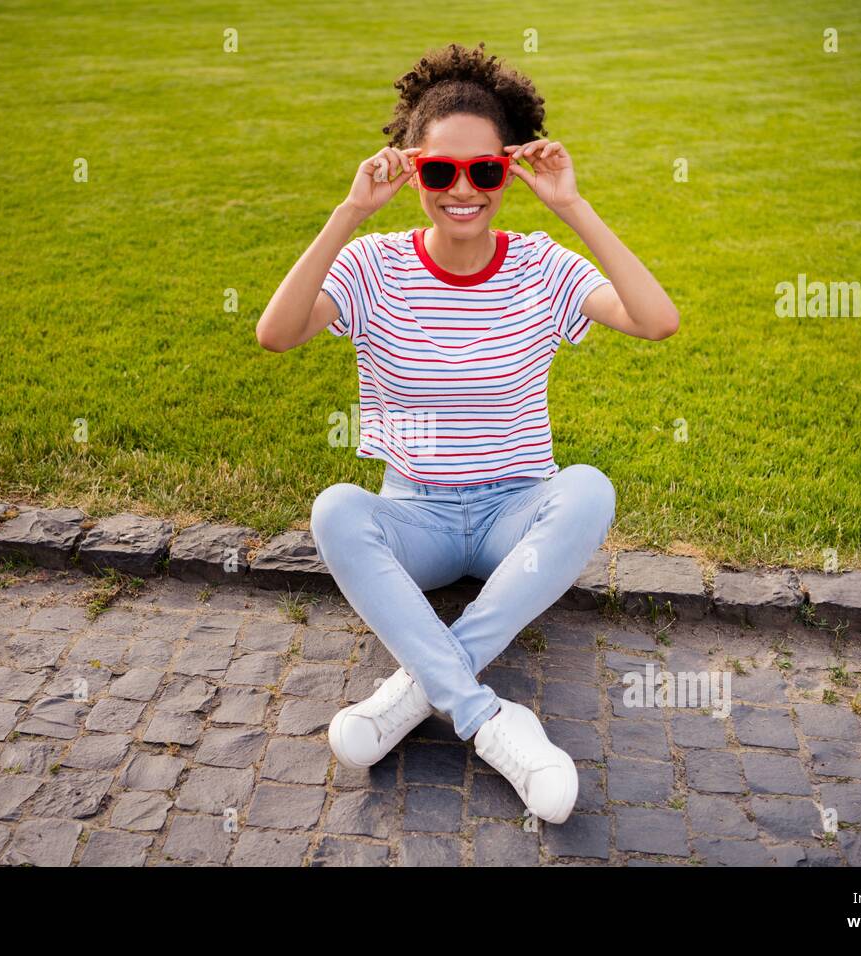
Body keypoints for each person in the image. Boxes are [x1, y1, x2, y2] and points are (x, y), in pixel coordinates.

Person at [255, 41, 678, 824]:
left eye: (484, 171)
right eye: (440, 171)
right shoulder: (372, 265)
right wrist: (349, 212)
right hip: (415, 515)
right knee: (336, 509)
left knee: (588, 489)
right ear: (412, 170)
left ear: (507, 172)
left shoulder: (540, 266)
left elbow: (657, 320)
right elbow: (275, 334)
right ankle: (488, 719)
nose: (462, 190)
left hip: (513, 518)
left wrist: (572, 206)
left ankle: (416, 690)